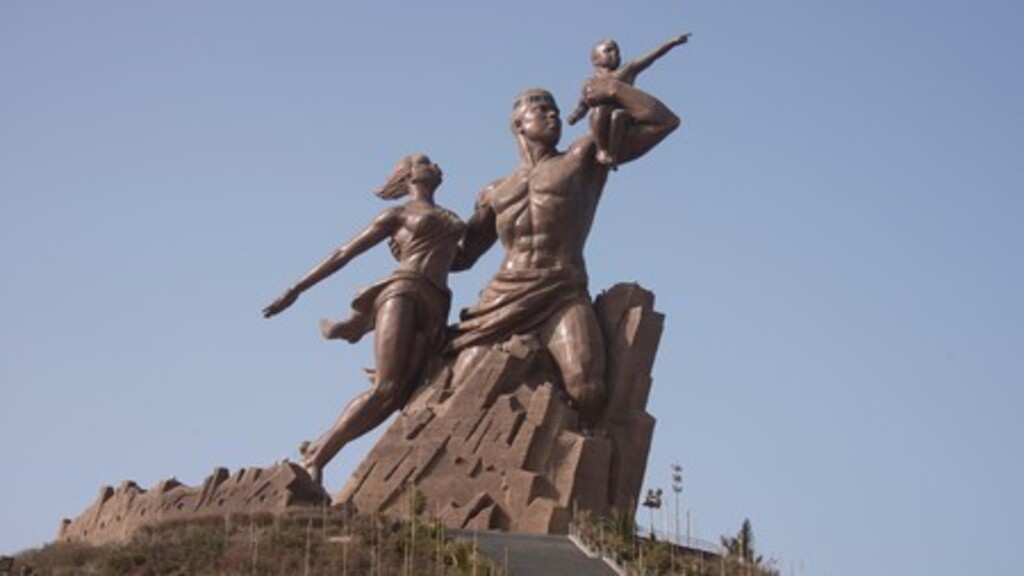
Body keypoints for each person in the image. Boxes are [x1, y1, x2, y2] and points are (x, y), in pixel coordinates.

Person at [450, 76, 680, 428]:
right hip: (501, 298)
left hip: (562, 289)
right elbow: (463, 258)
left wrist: (614, 89)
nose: (553, 115)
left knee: (587, 387)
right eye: (541, 109)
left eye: (556, 110)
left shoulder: (582, 156)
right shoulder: (493, 192)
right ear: (518, 124)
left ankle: (565, 465)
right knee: (460, 387)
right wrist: (416, 248)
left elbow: (663, 122)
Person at [262, 154, 465, 483]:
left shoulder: (453, 217)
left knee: (395, 396)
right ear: (410, 176)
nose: (436, 164)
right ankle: (317, 457)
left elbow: (462, 259)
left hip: (437, 304)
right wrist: (297, 288)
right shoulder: (398, 214)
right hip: (403, 291)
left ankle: (317, 447)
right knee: (386, 385)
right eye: (426, 161)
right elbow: (346, 252)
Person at [566, 34, 689, 168]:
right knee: (599, 110)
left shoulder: (625, 71)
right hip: (600, 122)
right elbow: (582, 106)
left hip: (624, 119)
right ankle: (602, 151)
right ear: (595, 59)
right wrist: (575, 116)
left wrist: (671, 43)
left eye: (617, 52)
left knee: (619, 115)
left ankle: (612, 154)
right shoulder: (590, 83)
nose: (615, 54)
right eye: (608, 51)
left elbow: (651, 57)